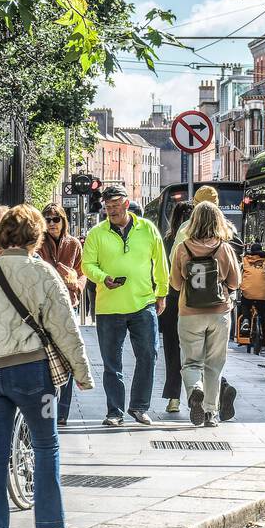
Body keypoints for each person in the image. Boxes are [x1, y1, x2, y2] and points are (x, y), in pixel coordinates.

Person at [0, 205, 94, 528]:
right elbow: (64, 326)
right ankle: (50, 525)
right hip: (32, 372)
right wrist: (81, 372)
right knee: (46, 444)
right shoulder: (43, 272)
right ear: (35, 237)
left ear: (2, 235)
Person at [81, 183, 169, 426]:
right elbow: (87, 265)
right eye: (108, 207)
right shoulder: (97, 234)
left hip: (143, 303)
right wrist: (102, 278)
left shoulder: (147, 229)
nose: (112, 211)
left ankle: (139, 407)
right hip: (109, 307)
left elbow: (160, 262)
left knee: (148, 355)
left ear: (126, 204)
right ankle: (115, 412)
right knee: (111, 363)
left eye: (116, 206)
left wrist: (162, 293)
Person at [170, 201, 242, 427]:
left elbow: (174, 283)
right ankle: (210, 413)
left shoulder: (183, 248)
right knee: (214, 364)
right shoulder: (224, 248)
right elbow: (235, 282)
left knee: (191, 362)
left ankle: (195, 390)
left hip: (189, 312)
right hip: (219, 312)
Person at [39, 202, 86, 425]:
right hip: (44, 308)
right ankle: (47, 409)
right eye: (47, 219)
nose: (51, 223)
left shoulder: (73, 244)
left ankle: (62, 413)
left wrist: (76, 282)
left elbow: (82, 274)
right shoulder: (38, 243)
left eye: (56, 219)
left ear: (63, 221)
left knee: (67, 359)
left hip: (69, 306)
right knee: (46, 360)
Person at [159, 201, 193, 413]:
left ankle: (173, 398)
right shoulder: (199, 240)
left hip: (172, 299)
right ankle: (199, 393)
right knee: (195, 350)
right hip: (195, 301)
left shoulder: (168, 240)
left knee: (172, 350)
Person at [239, 242, 265, 347]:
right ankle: (264, 339)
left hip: (247, 292)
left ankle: (246, 319)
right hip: (263, 294)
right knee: (263, 315)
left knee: (244, 302)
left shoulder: (245, 261)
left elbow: (239, 275)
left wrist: (241, 285)